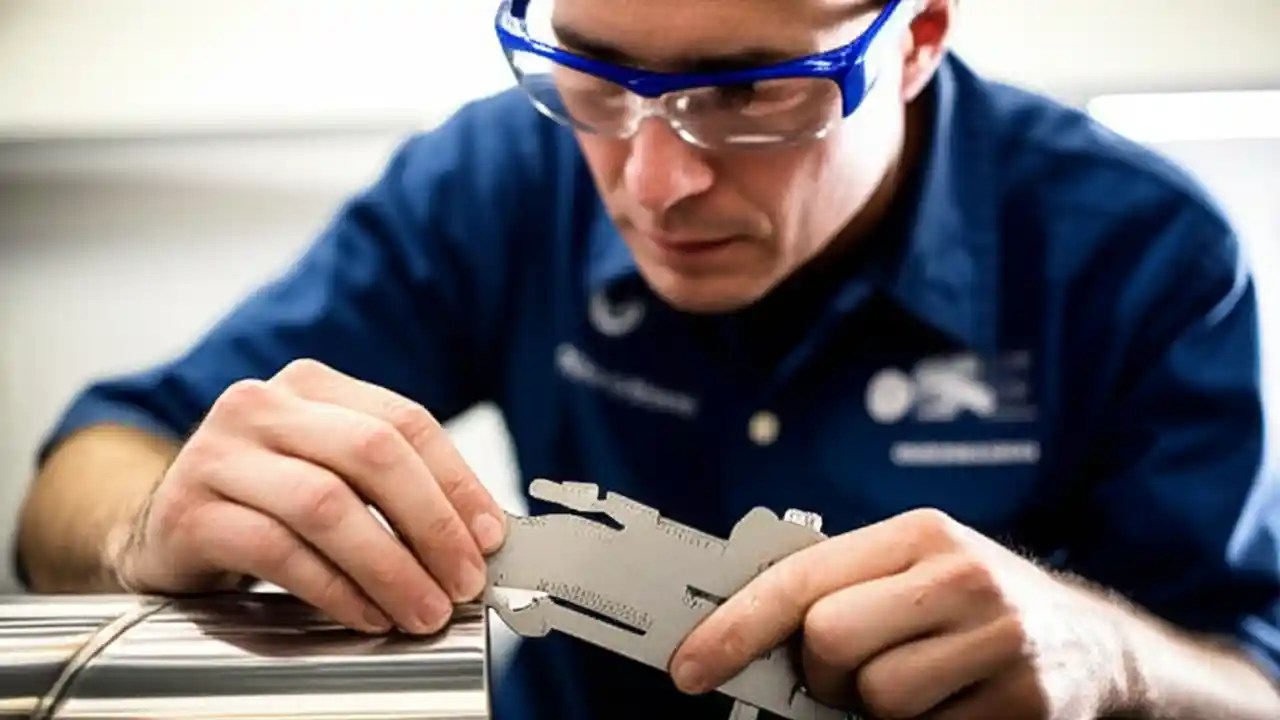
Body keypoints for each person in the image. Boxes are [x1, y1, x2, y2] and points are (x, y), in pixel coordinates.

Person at [14, 0, 1280, 717]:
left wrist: (1110, 662)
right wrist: (142, 529)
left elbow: (1247, 682)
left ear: (918, 37)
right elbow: (90, 465)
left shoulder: (1136, 249)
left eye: (748, 92)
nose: (654, 181)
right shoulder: (494, 176)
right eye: (593, 74)